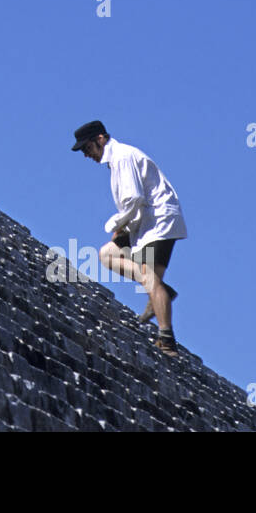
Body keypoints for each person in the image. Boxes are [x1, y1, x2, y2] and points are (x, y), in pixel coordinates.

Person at [70, 120, 187, 356]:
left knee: (147, 276)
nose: (86, 154)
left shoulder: (122, 157)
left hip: (158, 221)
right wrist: (122, 229)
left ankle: (167, 338)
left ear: (100, 139)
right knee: (107, 254)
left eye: (87, 148)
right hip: (144, 221)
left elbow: (134, 199)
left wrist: (117, 224)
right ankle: (160, 289)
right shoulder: (117, 160)